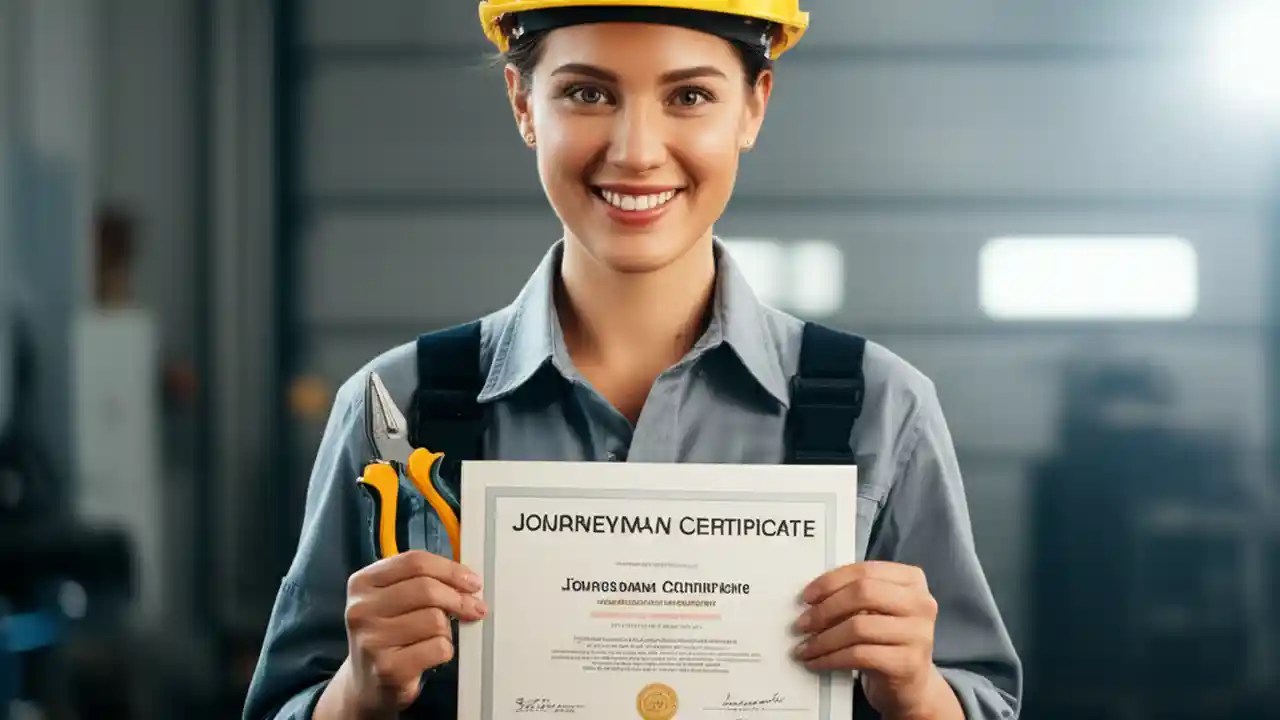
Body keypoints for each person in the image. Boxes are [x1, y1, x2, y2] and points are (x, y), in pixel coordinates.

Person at [242, 1, 1022, 718]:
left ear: (754, 106)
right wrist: (356, 692)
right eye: (588, 94)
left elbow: (985, 696)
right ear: (522, 104)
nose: (637, 151)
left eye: (689, 97)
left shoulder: (880, 407)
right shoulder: (397, 405)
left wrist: (919, 692)